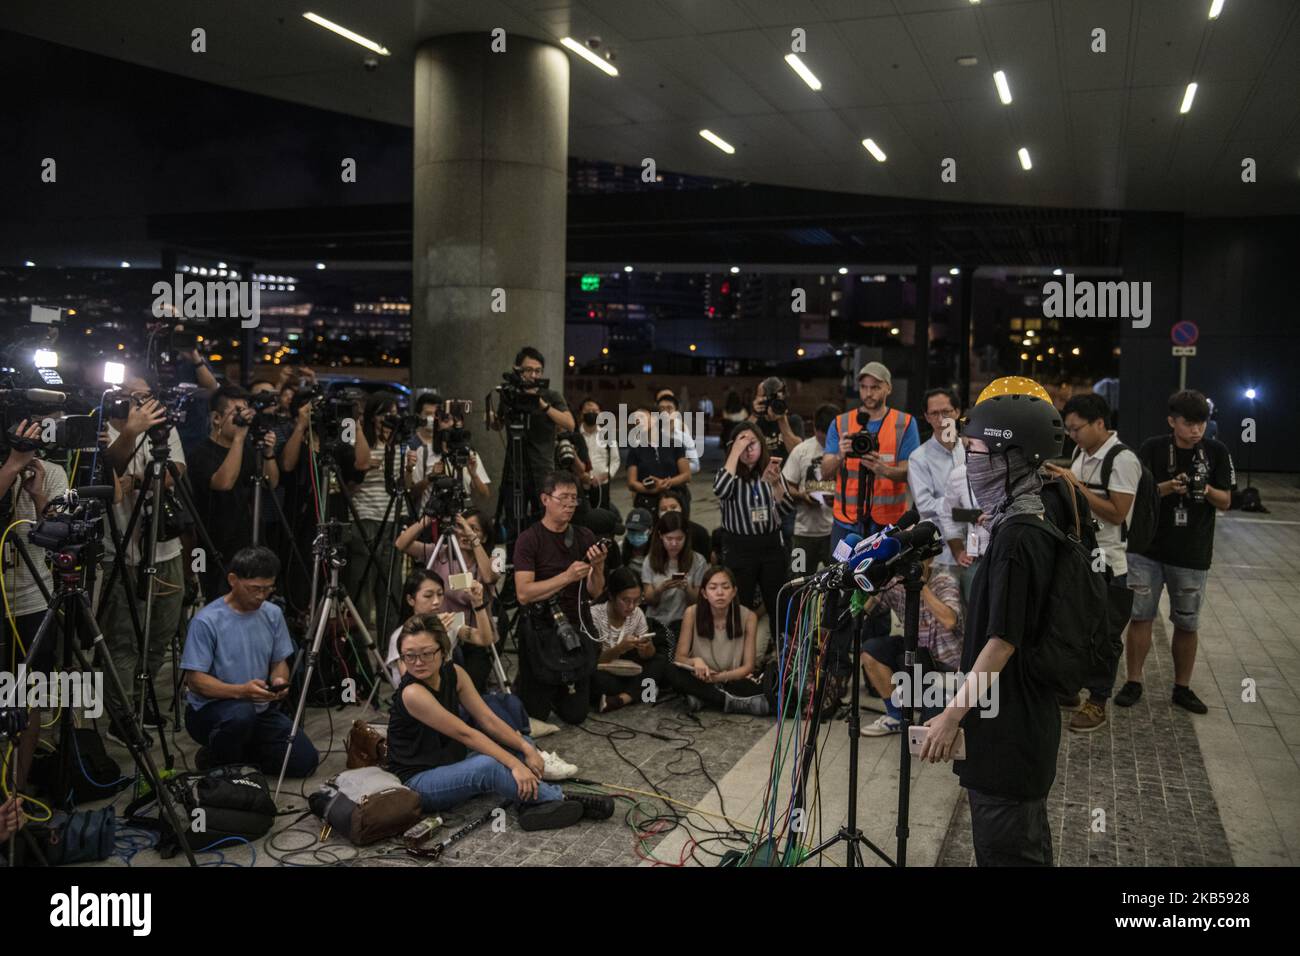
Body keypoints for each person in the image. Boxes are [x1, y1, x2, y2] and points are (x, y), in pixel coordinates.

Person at [919, 393, 1063, 866]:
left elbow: (1002, 642)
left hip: (1009, 735)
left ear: (1014, 458)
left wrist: (951, 716)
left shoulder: (1019, 537)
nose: (971, 462)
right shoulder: (1022, 520)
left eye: (978, 452)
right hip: (1017, 729)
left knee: (1008, 851)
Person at [386, 615, 612, 828]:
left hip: (450, 760)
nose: (418, 662)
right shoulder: (412, 692)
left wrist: (525, 747)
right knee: (490, 766)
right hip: (419, 782)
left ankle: (527, 801)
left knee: (519, 740)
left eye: (426, 653)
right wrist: (515, 765)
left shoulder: (454, 673)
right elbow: (466, 734)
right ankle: (562, 798)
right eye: (409, 655)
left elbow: (488, 720)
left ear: (444, 650)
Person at [384, 568, 574, 772]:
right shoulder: (403, 638)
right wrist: (437, 640)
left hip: (451, 700)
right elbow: (413, 679)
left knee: (505, 702)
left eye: (440, 594)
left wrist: (479, 605)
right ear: (411, 600)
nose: (436, 602)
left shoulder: (447, 623)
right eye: (428, 596)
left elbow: (486, 639)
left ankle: (528, 750)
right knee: (491, 713)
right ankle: (531, 753)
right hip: (431, 712)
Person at [1116, 390, 1233, 714]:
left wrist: (1204, 488)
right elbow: (1134, 493)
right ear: (1172, 421)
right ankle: (1133, 681)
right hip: (1146, 549)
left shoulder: (1216, 452)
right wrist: (1167, 488)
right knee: (1140, 616)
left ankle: (1182, 687)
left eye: (1201, 423)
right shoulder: (1153, 448)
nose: (1196, 430)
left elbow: (1226, 500)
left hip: (1192, 551)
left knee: (1187, 622)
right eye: (1189, 423)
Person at [1044, 392, 1140, 732]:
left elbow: (1117, 512)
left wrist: (1075, 485)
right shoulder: (1081, 452)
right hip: (1082, 557)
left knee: (1105, 634)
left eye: (1076, 428)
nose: (1072, 435)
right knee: (1075, 626)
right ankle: (1070, 689)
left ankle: (1098, 701)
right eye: (1068, 430)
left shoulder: (1122, 459)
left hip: (1109, 560)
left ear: (1099, 423)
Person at [97, 378, 186, 740]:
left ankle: (144, 697)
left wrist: (141, 478)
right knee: (123, 640)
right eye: (129, 395)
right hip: (118, 552)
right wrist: (130, 433)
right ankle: (123, 716)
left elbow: (174, 471)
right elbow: (109, 472)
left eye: (144, 395)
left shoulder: (164, 428)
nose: (138, 401)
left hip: (166, 548)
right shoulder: (100, 427)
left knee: (161, 633)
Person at [179, 547, 318, 776]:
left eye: (267, 589)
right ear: (233, 580)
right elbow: (196, 681)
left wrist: (279, 680)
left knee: (304, 761)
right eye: (254, 589)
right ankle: (220, 757)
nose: (261, 596)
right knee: (241, 715)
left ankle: (234, 755)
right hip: (212, 710)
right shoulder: (206, 621)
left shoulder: (272, 614)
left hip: (258, 707)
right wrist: (241, 691)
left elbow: (278, 661)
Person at [513, 470, 610, 724]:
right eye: (563, 498)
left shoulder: (584, 536)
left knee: (576, 715)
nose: (569, 504)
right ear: (545, 499)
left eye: (574, 498)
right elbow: (523, 594)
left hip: (575, 626)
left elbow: (596, 591)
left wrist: (598, 566)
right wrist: (566, 577)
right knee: (535, 716)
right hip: (542, 626)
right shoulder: (529, 539)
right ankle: (529, 682)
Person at [186, 384, 278, 601]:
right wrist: (239, 438)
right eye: (236, 412)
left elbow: (270, 483)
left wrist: (268, 454)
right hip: (213, 547)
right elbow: (224, 482)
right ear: (217, 418)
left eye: (245, 411)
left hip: (246, 541)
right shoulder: (200, 453)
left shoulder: (246, 449)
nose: (243, 418)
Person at [395, 509, 499, 691]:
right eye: (460, 527)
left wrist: (472, 536)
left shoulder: (494, 557)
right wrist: (426, 520)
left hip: (473, 631)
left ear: (484, 537)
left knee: (471, 687)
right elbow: (401, 544)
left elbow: (490, 577)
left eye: (473, 528)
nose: (464, 533)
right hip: (444, 629)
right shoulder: (441, 553)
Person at [822, 362, 920, 553]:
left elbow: (909, 474)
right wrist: (840, 455)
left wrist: (882, 468)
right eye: (864, 387)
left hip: (888, 522)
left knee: (886, 580)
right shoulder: (841, 423)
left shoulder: (904, 423)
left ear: (889, 388)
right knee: (841, 578)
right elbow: (825, 472)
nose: (868, 393)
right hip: (846, 519)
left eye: (875, 387)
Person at [859, 557, 964, 736]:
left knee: (928, 731)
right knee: (872, 650)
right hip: (917, 655)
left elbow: (950, 621)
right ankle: (896, 716)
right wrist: (874, 582)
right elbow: (862, 615)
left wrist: (920, 585)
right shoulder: (894, 583)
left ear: (929, 558)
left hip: (946, 667)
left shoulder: (944, 580)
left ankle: (933, 703)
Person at [715, 422, 794, 649]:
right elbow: (721, 489)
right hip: (739, 547)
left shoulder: (770, 472)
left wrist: (777, 483)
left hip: (770, 546)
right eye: (743, 444)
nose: (748, 449)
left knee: (777, 602)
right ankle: (738, 653)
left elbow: (787, 509)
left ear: (762, 446)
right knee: (741, 604)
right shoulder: (729, 475)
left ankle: (782, 651)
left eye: (753, 444)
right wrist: (734, 452)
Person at [1, 419, 67, 675]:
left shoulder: (51, 471)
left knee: (32, 688)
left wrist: (38, 495)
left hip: (33, 597)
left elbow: (58, 536)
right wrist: (13, 465)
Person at [667, 566, 770, 715]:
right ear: (704, 593)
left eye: (726, 587)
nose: (720, 593)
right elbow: (679, 657)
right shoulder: (691, 613)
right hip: (701, 677)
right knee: (670, 671)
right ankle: (727, 700)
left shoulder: (749, 617)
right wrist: (696, 661)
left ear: (733, 592)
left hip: (731, 679)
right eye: (713, 588)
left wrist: (719, 678)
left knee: (755, 686)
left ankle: (703, 698)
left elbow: (748, 667)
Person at [344, 392, 405, 636]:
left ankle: (389, 648)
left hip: (393, 518)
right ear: (372, 417)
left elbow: (404, 486)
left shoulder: (399, 443)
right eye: (383, 414)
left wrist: (408, 468)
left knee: (390, 588)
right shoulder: (362, 441)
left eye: (393, 414)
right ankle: (361, 647)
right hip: (364, 516)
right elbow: (351, 482)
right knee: (362, 587)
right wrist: (366, 466)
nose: (389, 419)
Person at [491, 347, 575, 499]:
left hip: (542, 470)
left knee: (542, 518)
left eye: (538, 371)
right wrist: (492, 419)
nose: (533, 375)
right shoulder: (510, 395)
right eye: (528, 370)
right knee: (512, 517)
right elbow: (499, 425)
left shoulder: (551, 395)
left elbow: (570, 423)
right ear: (517, 370)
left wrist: (543, 405)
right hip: (514, 470)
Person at [907, 388, 964, 581]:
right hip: (941, 553)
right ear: (927, 417)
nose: (941, 419)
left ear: (957, 412)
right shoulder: (918, 458)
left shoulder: (971, 450)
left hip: (976, 548)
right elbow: (926, 506)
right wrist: (967, 509)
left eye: (946, 412)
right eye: (934, 413)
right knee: (945, 610)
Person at [590, 567, 660, 713]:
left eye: (637, 600)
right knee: (594, 679)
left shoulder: (637, 613)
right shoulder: (595, 615)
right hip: (604, 669)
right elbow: (594, 661)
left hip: (629, 669)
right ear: (611, 595)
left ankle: (621, 699)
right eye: (626, 600)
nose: (632, 606)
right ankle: (642, 691)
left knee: (660, 663)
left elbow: (648, 656)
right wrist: (619, 648)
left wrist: (647, 649)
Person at [404, 393, 491, 511]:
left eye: (456, 420)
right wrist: (430, 478)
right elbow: (411, 493)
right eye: (445, 419)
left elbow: (484, 496)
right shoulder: (424, 451)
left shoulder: (469, 453)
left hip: (461, 520)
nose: (451, 424)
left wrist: (474, 474)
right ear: (438, 423)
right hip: (430, 520)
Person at [782, 403, 839, 574]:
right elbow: (786, 486)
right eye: (821, 435)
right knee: (797, 581)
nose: (825, 440)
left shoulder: (845, 451)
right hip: (803, 534)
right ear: (814, 428)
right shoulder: (801, 451)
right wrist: (803, 496)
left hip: (835, 532)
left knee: (839, 581)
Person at [641, 512, 707, 635]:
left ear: (686, 537)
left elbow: (699, 601)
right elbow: (649, 599)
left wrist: (687, 588)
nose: (674, 544)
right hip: (656, 623)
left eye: (679, 539)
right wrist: (661, 588)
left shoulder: (698, 561)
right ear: (660, 536)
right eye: (669, 539)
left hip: (685, 622)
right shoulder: (650, 560)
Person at [939, 439, 988, 604]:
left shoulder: (1009, 471)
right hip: (975, 559)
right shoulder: (959, 475)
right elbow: (948, 514)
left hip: (1005, 557)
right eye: (970, 443)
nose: (971, 449)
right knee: (974, 617)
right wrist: (957, 549)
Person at [625, 407, 691, 512]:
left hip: (675, 498)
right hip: (648, 501)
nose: (638, 421)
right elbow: (632, 483)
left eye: (641, 417)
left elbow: (686, 475)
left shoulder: (675, 444)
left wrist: (667, 483)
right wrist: (653, 490)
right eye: (635, 420)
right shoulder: (635, 450)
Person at [576, 396, 620, 510]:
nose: (591, 413)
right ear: (581, 414)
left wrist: (608, 474)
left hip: (602, 485)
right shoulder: (575, 436)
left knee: (601, 516)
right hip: (579, 485)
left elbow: (615, 460)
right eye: (587, 411)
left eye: (595, 411)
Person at [748, 377, 802, 456]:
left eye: (775, 397)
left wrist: (782, 418)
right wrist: (754, 415)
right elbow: (737, 449)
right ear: (756, 398)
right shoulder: (754, 423)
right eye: (765, 396)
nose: (770, 401)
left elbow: (797, 454)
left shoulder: (794, 420)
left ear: (783, 397)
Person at [656, 487, 711, 559]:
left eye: (673, 507)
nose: (669, 511)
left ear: (682, 508)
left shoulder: (699, 532)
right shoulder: (654, 533)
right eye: (663, 509)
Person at [654, 390, 700, 475]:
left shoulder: (683, 433)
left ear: (676, 411)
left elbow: (695, 466)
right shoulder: (651, 435)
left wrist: (674, 467)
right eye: (662, 408)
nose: (665, 412)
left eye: (669, 408)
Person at [620, 507, 654, 579]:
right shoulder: (620, 549)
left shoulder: (658, 551)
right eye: (631, 531)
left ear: (650, 530)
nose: (635, 535)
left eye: (639, 531)